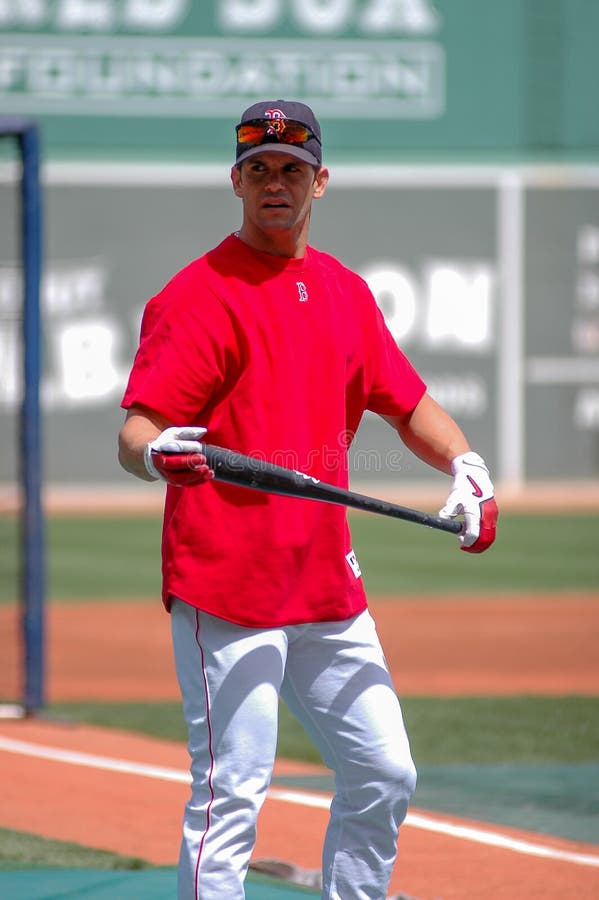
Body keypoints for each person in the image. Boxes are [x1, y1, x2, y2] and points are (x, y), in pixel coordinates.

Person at [118, 99, 498, 900]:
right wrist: (158, 452)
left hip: (326, 584)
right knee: (230, 799)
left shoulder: (342, 292)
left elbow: (405, 403)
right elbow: (138, 431)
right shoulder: (198, 295)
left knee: (385, 770)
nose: (274, 184)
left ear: (319, 182)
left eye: (291, 170)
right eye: (258, 170)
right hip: (228, 586)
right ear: (236, 182)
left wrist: (464, 463)